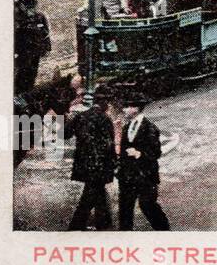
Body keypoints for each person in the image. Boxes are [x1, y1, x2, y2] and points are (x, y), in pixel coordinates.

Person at [63, 86, 117, 231]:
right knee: (87, 200)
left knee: (97, 195)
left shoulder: (80, 116)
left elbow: (65, 134)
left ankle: (104, 224)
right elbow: (109, 145)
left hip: (84, 166)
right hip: (99, 167)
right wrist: (114, 164)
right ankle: (75, 228)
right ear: (105, 102)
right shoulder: (105, 120)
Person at [117, 95, 170, 231]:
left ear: (135, 109)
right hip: (127, 175)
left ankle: (164, 232)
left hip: (145, 175)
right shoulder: (126, 127)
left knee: (147, 205)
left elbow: (156, 152)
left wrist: (139, 153)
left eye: (127, 107)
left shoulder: (149, 127)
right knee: (125, 207)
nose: (124, 110)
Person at [14, 0, 51, 95]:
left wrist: (47, 47)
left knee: (33, 72)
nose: (31, 9)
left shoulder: (39, 17)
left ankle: (29, 90)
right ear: (22, 6)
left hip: (36, 50)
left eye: (33, 7)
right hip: (23, 52)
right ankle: (19, 92)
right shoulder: (18, 19)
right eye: (28, 7)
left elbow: (45, 33)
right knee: (22, 73)